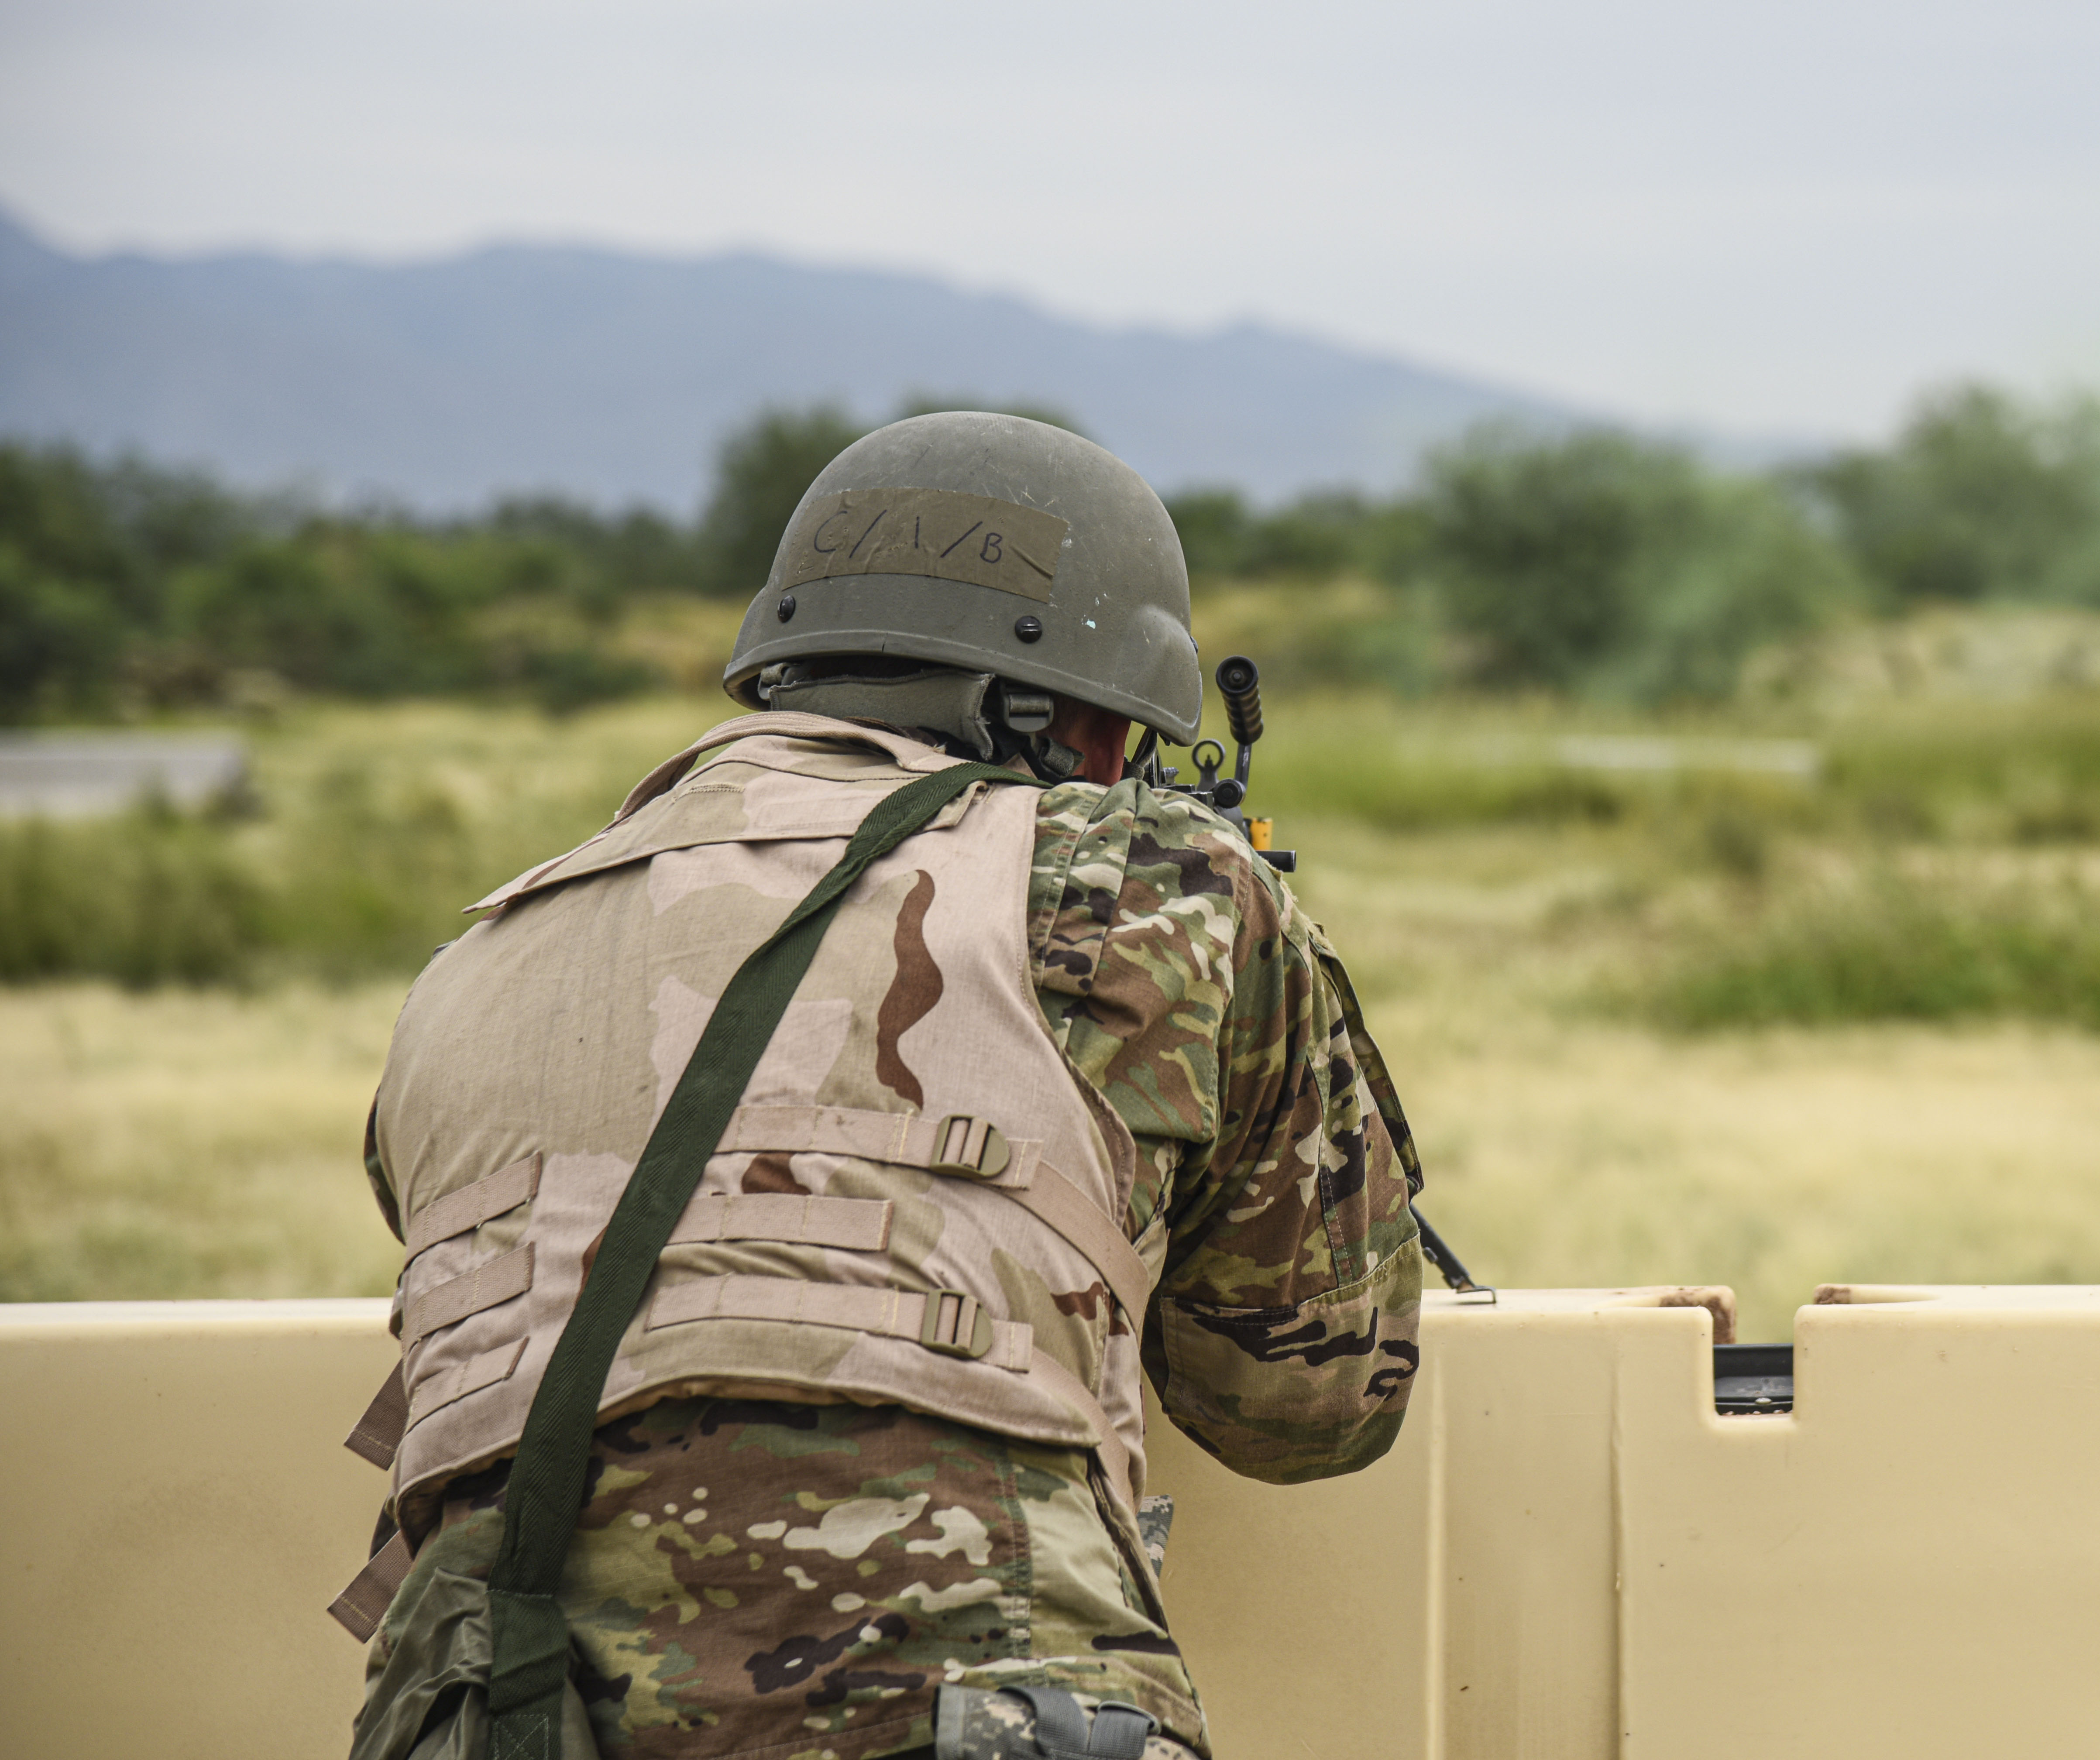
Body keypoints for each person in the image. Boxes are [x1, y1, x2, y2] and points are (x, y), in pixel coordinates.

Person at [335, 413, 1425, 1760]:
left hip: (482, 1706)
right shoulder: (1151, 883)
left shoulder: (480, 949)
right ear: (1077, 721)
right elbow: (1307, 1404)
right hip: (957, 1685)